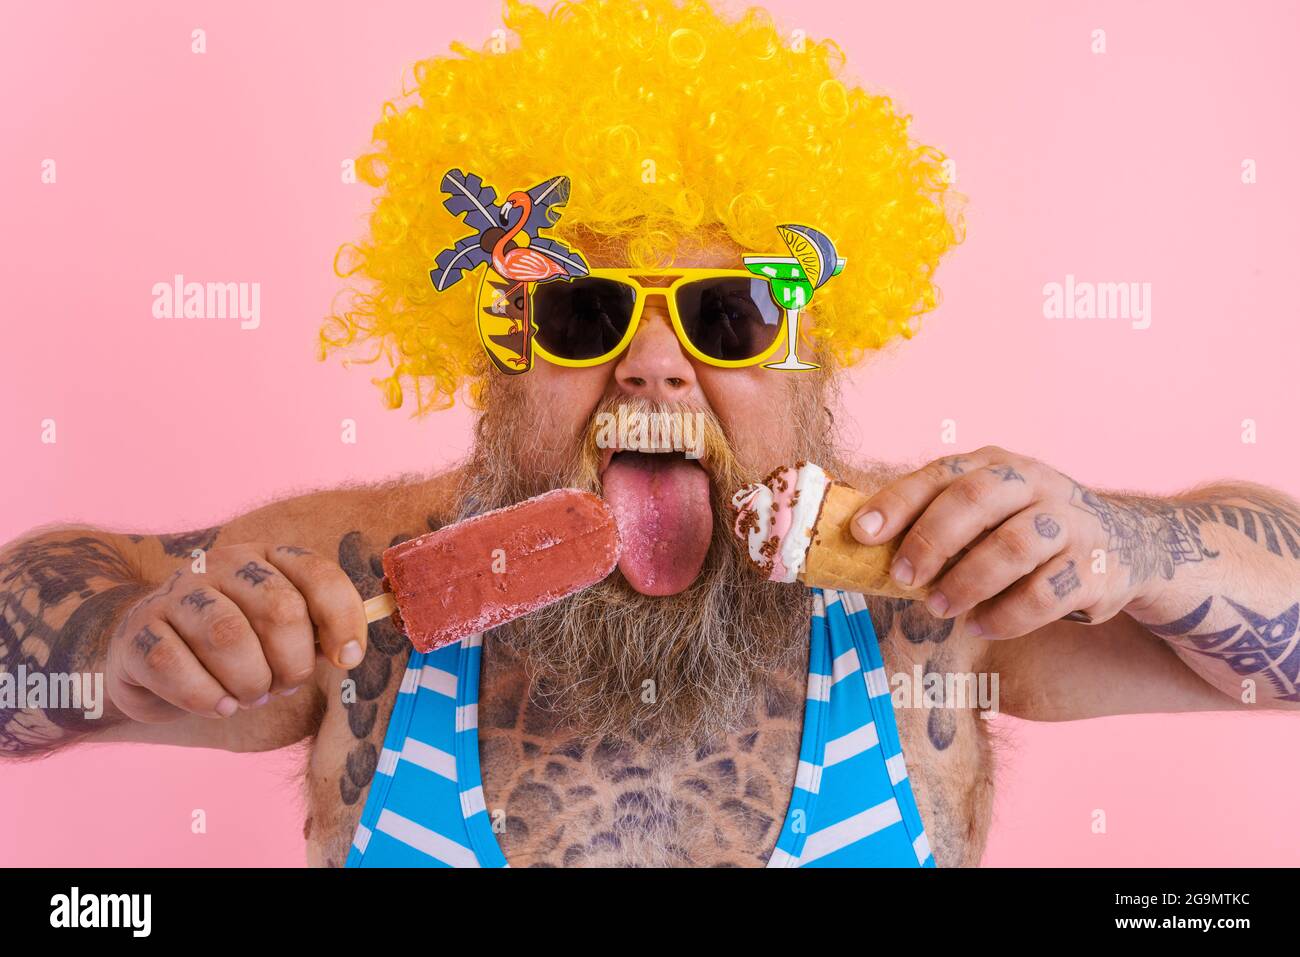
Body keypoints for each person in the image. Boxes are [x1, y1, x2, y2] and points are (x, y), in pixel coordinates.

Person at [2, 0, 1296, 868]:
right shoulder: (358, 598)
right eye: (580, 308)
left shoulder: (939, 597)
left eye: (728, 315)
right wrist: (121, 651)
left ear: (814, 359)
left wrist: (1137, 545)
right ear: (496, 352)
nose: (653, 362)